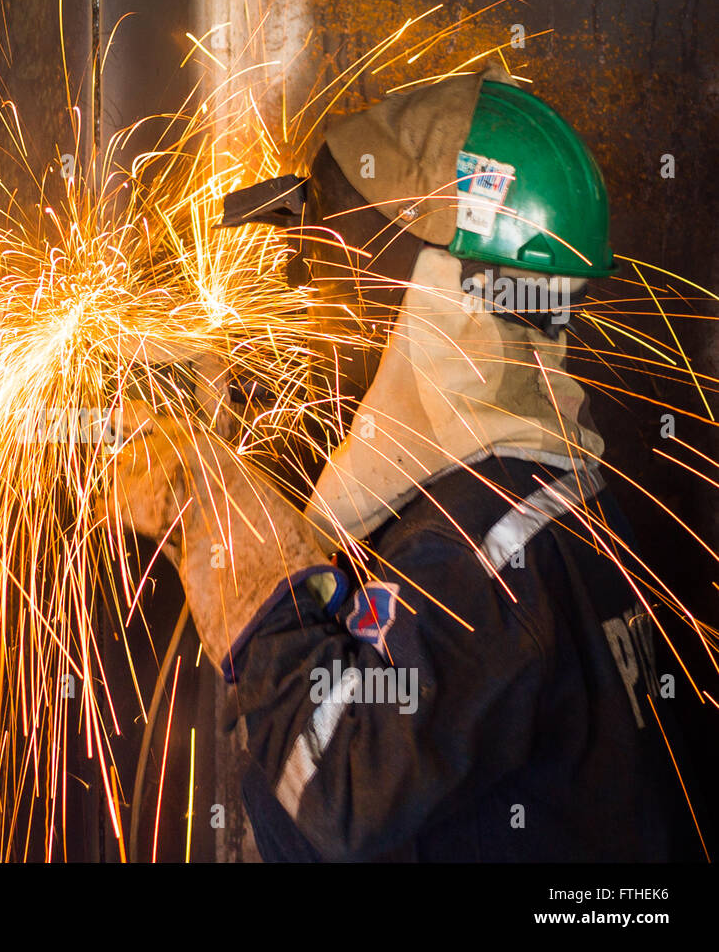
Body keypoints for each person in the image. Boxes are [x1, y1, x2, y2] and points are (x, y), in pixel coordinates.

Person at [107, 66, 698, 860]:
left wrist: (233, 543)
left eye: (322, 266)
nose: (300, 297)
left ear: (423, 289)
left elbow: (336, 797)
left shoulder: (486, 555)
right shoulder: (543, 496)